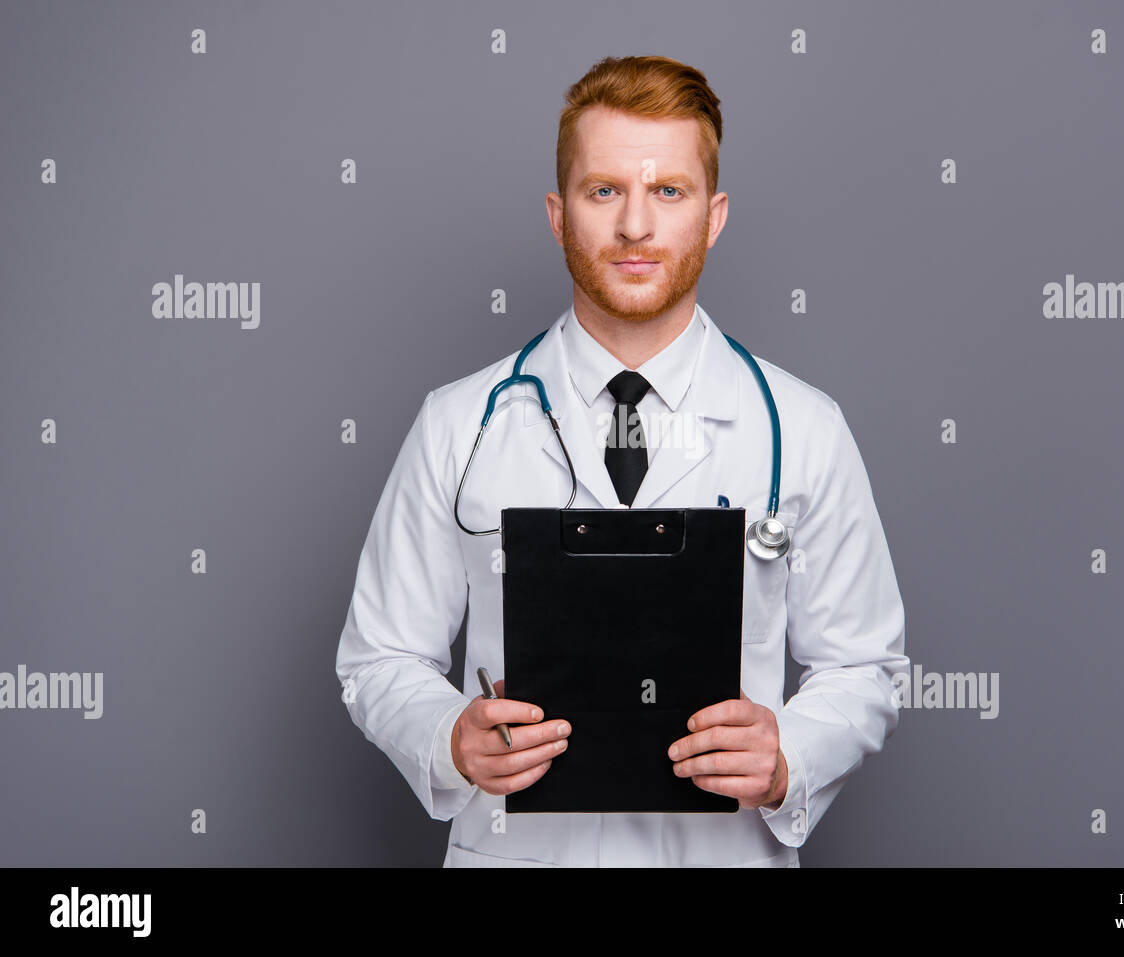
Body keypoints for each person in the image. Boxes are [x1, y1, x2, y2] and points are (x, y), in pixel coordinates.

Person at [335, 54, 908, 867]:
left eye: (667, 192)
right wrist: (447, 736)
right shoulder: (458, 423)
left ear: (712, 218)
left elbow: (866, 666)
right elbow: (380, 654)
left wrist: (788, 757)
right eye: (604, 190)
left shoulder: (804, 429)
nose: (635, 226)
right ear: (558, 214)